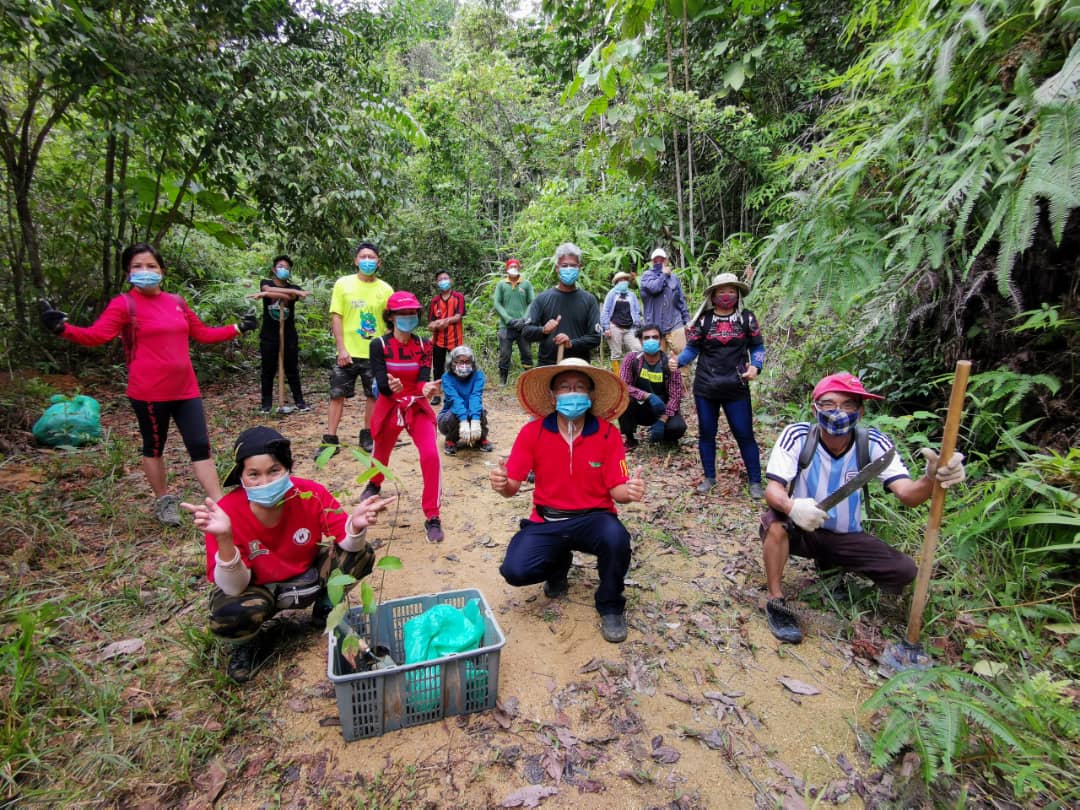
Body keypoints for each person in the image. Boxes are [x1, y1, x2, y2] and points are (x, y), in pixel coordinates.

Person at [40, 242, 255, 525]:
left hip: (186, 388)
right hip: (149, 392)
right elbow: (97, 336)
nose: (145, 271)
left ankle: (219, 503)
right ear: (128, 273)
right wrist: (62, 329)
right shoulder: (124, 305)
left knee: (200, 445)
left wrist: (237, 328)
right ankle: (164, 501)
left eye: (151, 266)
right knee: (155, 446)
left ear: (162, 270)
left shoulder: (176, 302)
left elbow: (202, 334)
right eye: (137, 267)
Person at [760, 373, 967, 644]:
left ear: (861, 411)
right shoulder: (798, 436)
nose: (838, 412)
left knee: (903, 570)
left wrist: (932, 477)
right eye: (829, 404)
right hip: (799, 526)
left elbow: (908, 495)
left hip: (844, 535)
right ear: (815, 408)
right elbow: (773, 489)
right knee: (775, 524)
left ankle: (832, 566)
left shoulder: (873, 444)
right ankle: (776, 600)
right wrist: (792, 505)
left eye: (848, 405)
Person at [181, 426, 393, 682]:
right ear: (241, 477)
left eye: (274, 471)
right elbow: (233, 587)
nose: (265, 482)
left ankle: (325, 608)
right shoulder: (224, 514)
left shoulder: (310, 494)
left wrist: (356, 527)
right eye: (253, 475)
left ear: (288, 469)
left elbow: (347, 544)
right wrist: (224, 538)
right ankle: (246, 643)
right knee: (230, 612)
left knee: (363, 554)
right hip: (256, 587)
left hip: (306, 576)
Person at [490, 358, 644, 644]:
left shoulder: (608, 433)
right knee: (515, 570)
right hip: (548, 519)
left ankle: (610, 605)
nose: (572, 392)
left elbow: (617, 491)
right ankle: (559, 567)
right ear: (552, 395)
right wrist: (502, 484)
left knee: (617, 539)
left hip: (594, 517)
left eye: (580, 387)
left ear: (591, 395)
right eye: (565, 387)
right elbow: (512, 486)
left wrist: (630, 491)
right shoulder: (532, 432)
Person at [671, 272, 766, 499]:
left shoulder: (747, 318)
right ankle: (709, 477)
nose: (726, 295)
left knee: (744, 434)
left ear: (738, 294)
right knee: (706, 433)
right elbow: (693, 348)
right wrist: (679, 361)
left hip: (736, 385)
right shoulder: (703, 321)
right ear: (713, 296)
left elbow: (758, 346)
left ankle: (755, 482)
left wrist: (756, 367)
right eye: (721, 291)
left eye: (731, 291)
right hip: (706, 387)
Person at [366, 291, 445, 543]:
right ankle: (374, 484)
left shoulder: (424, 345)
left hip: (416, 405)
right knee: (381, 451)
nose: (408, 317)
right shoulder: (378, 344)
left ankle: (432, 515)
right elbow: (380, 380)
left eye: (412, 313)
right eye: (402, 313)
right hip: (390, 405)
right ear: (391, 316)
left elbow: (423, 378)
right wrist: (392, 388)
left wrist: (425, 387)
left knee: (431, 455)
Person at [321, 242, 394, 458]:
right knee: (337, 394)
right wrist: (341, 348)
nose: (367, 260)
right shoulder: (343, 284)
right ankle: (330, 439)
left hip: (375, 353)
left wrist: (389, 350)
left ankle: (367, 435)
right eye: (363, 256)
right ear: (356, 260)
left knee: (373, 395)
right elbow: (337, 316)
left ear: (379, 262)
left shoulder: (385, 289)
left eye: (372, 257)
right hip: (348, 353)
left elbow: (390, 321)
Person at [521, 243, 601, 367]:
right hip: (548, 366)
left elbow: (595, 337)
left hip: (579, 366)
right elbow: (526, 331)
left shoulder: (589, 300)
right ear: (557, 268)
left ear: (579, 267)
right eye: (564, 265)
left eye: (573, 265)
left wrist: (571, 343)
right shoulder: (542, 299)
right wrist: (543, 330)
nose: (568, 269)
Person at [253, 254, 311, 414]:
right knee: (268, 369)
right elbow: (268, 289)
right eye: (280, 266)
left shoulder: (296, 288)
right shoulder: (265, 282)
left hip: (288, 333)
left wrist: (271, 294)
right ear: (274, 269)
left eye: (286, 267)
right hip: (269, 334)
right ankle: (266, 404)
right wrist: (268, 293)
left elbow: (289, 296)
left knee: (291, 368)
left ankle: (300, 402)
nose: (283, 270)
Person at [619, 324, 686, 448]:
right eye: (646, 337)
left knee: (678, 427)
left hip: (662, 408)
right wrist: (647, 396)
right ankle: (630, 438)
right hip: (640, 406)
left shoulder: (670, 363)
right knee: (624, 400)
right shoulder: (632, 359)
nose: (651, 340)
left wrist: (663, 420)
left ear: (661, 340)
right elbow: (623, 385)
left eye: (655, 337)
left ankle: (665, 436)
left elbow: (675, 397)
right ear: (640, 340)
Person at [437, 345, 493, 455]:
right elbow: (455, 400)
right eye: (460, 361)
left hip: (471, 412)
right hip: (450, 416)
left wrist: (475, 420)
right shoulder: (447, 377)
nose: (464, 365)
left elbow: (476, 396)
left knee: (480, 410)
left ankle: (480, 437)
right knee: (454, 413)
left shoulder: (478, 375)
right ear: (453, 362)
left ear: (472, 362)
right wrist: (463, 420)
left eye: (467, 361)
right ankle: (451, 440)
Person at [638, 248, 690, 356]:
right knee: (656, 358)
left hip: (675, 322)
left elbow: (680, 299)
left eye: (661, 260)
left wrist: (687, 320)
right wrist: (663, 274)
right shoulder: (647, 276)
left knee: (682, 353)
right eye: (656, 261)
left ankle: (682, 374)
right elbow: (655, 288)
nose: (658, 263)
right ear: (652, 262)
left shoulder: (674, 278)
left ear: (666, 261)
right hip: (655, 325)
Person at [493, 258, 535, 384]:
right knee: (505, 354)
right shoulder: (501, 285)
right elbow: (497, 303)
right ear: (506, 269)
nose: (513, 269)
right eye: (511, 266)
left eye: (515, 266)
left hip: (523, 325)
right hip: (505, 326)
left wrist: (524, 319)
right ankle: (502, 381)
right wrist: (508, 319)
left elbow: (532, 302)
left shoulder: (526, 284)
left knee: (526, 352)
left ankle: (528, 380)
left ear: (519, 268)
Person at [427, 270, 467, 394]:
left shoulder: (458, 297)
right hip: (438, 340)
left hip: (455, 340)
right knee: (438, 368)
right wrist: (434, 326)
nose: (443, 281)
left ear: (451, 280)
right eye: (440, 279)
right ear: (436, 283)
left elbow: (458, 316)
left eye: (445, 278)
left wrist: (444, 321)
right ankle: (437, 393)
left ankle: (459, 391)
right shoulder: (434, 301)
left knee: (458, 365)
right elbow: (430, 323)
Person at [600, 271, 643, 374]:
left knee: (638, 349)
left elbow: (636, 311)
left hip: (630, 328)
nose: (623, 282)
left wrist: (638, 326)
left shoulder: (631, 295)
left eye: (625, 280)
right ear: (616, 282)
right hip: (615, 326)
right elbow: (605, 310)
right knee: (616, 353)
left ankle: (631, 373)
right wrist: (606, 327)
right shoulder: (611, 294)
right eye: (620, 280)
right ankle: (618, 376)